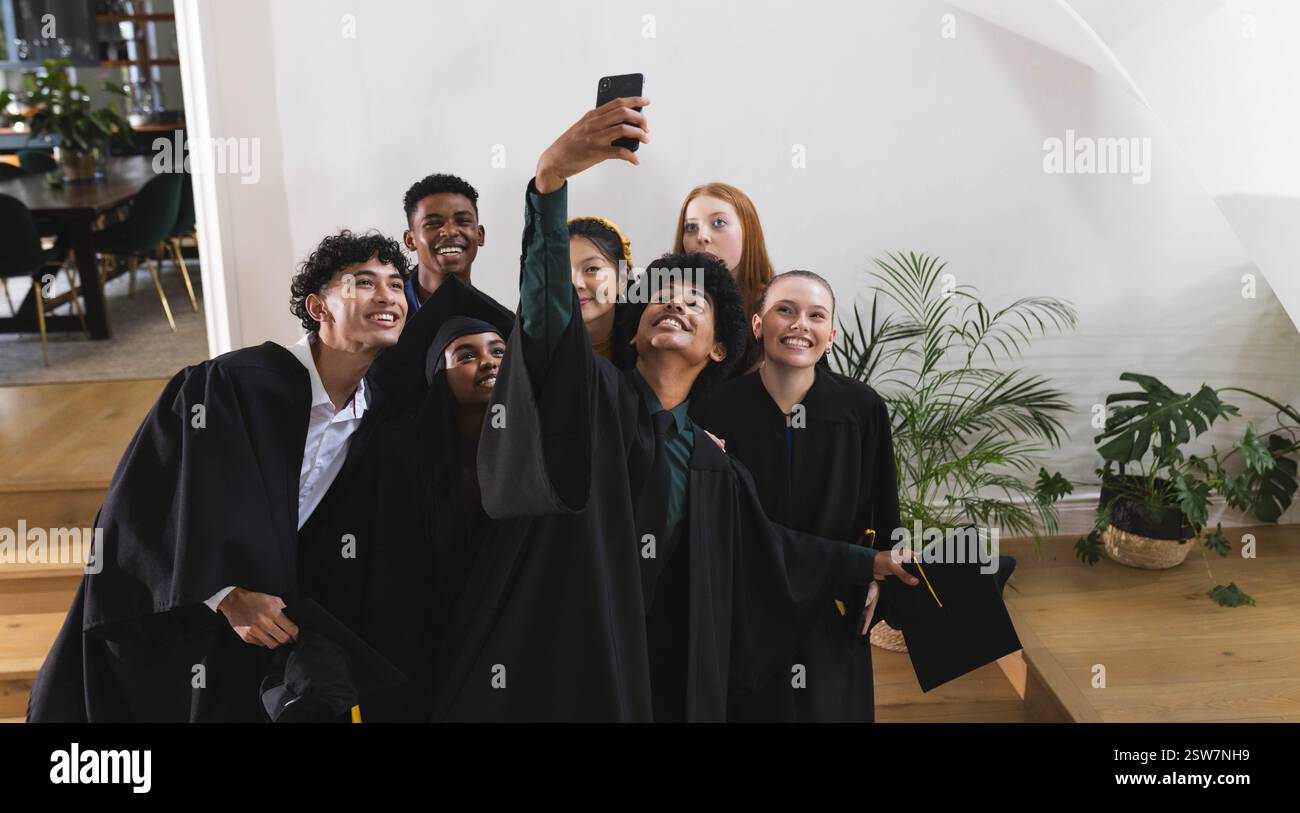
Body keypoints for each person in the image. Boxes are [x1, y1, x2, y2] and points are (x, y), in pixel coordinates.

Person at [433, 97, 916, 721]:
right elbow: (549, 321)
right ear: (633, 332)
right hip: (564, 661)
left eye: (697, 303)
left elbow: (772, 551)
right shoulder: (594, 401)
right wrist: (550, 181)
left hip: (663, 679)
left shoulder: (715, 466)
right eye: (662, 297)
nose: (676, 305)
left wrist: (866, 561)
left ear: (719, 349)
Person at [27, 231, 410, 722]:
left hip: (279, 624)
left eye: (397, 285)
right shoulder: (227, 385)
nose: (387, 296)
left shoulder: (377, 411)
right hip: (186, 617)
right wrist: (224, 596)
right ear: (319, 308)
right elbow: (138, 512)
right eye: (365, 282)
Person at [300, 277, 514, 721]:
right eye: (467, 355)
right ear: (437, 373)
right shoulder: (400, 447)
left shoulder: (527, 448)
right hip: (414, 640)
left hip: (503, 633)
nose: (489, 362)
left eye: (498, 350)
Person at [691, 269, 901, 722]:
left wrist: (878, 576)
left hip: (834, 599)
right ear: (757, 324)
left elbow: (887, 509)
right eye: (784, 310)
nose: (799, 324)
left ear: (831, 334)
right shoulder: (716, 409)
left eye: (815, 315)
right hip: (747, 600)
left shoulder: (862, 409)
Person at [672, 182, 775, 376]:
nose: (702, 237)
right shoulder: (665, 302)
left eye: (718, 223)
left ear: (748, 231)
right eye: (691, 227)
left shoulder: (775, 308)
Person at [402, 173, 488, 316]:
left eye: (462, 221)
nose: (450, 232)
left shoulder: (500, 323)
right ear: (410, 240)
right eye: (433, 224)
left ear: (480, 235)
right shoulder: (385, 311)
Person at [568, 215, 638, 368]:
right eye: (562, 271)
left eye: (592, 269)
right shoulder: (537, 351)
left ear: (622, 279)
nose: (575, 283)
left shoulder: (646, 348)